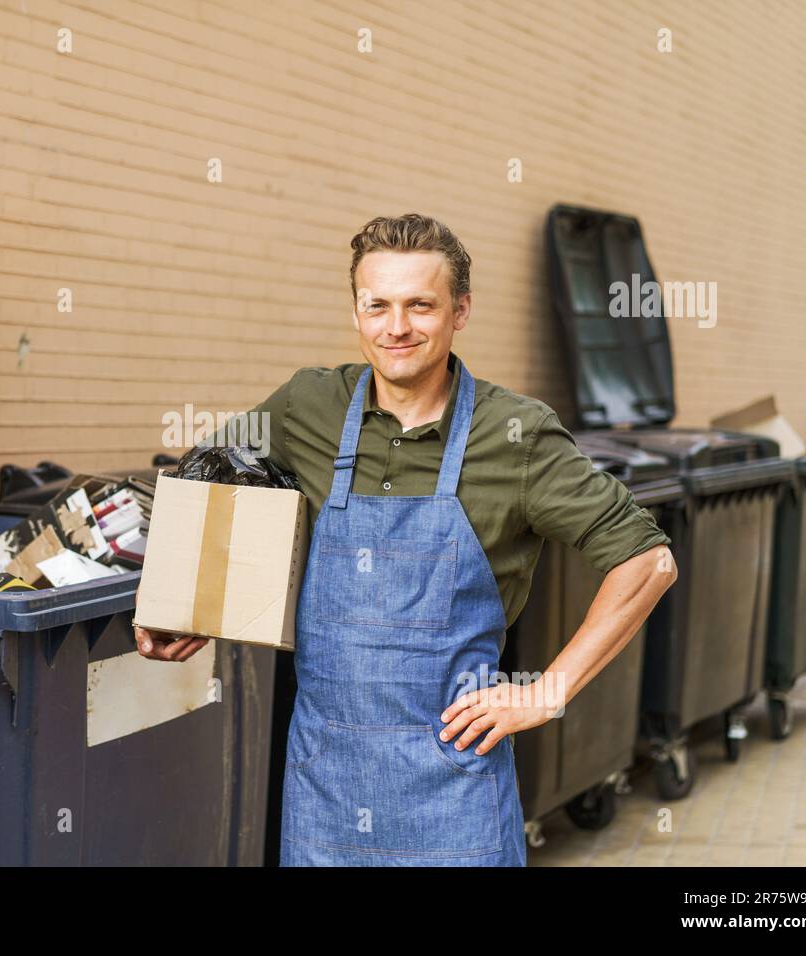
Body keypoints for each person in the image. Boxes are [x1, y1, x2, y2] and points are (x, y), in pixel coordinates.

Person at [133, 212, 677, 866]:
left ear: (461, 310)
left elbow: (648, 560)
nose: (396, 327)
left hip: (452, 796)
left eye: (421, 305)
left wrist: (548, 691)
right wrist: (197, 608)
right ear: (356, 310)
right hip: (324, 788)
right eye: (377, 305)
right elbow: (211, 485)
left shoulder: (517, 435)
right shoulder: (309, 406)